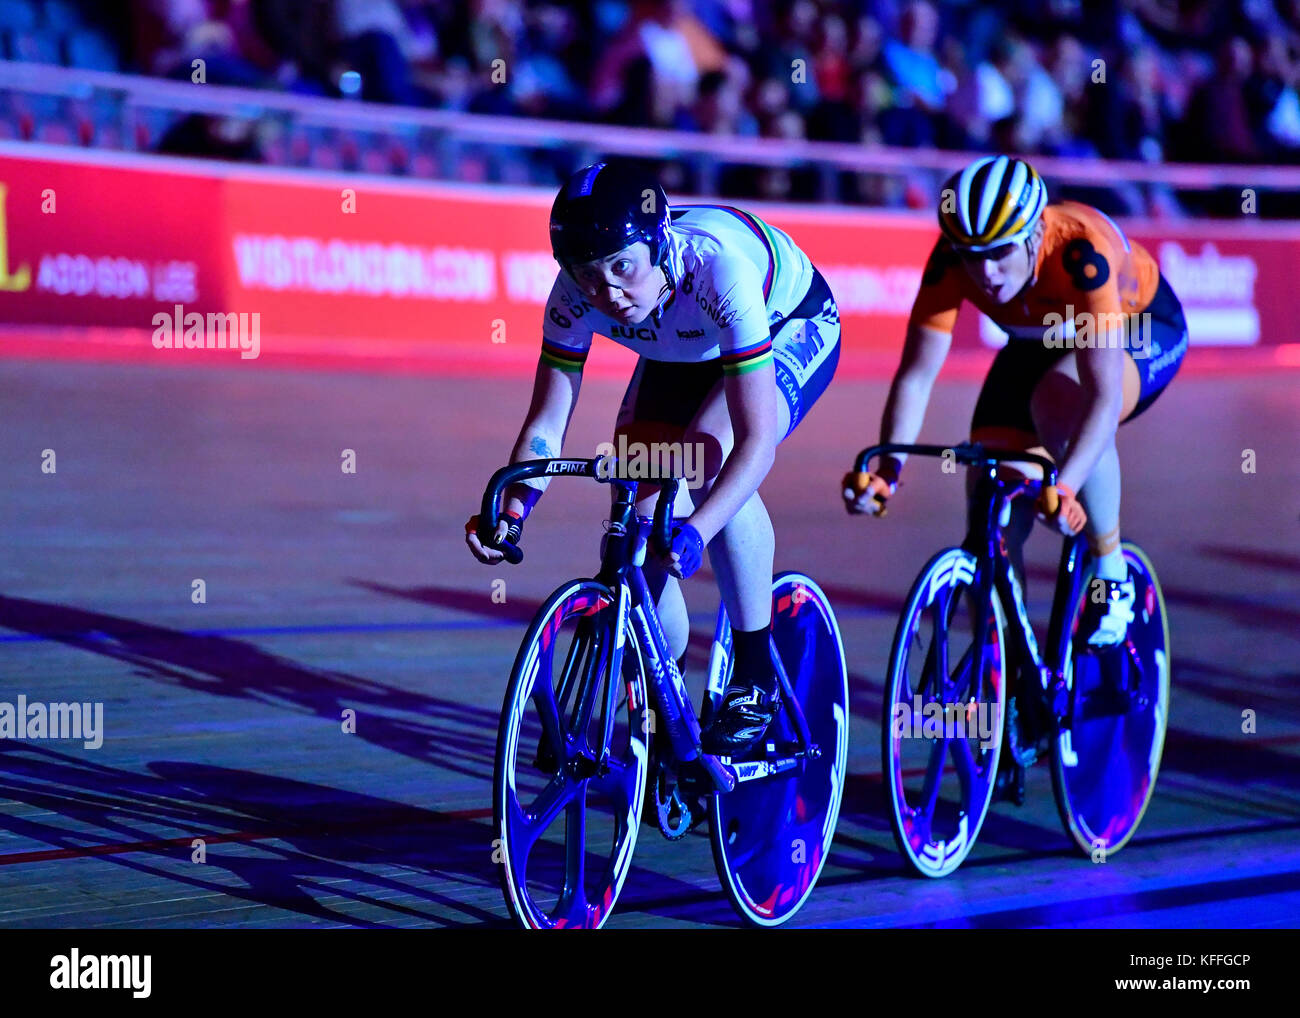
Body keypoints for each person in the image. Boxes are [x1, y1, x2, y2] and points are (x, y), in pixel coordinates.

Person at [467, 161, 840, 754]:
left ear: (660, 243)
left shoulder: (722, 271)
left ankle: (755, 678)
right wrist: (513, 511)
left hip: (787, 322)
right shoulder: (573, 298)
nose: (608, 293)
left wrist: (698, 530)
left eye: (621, 268)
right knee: (640, 522)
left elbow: (756, 444)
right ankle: (669, 708)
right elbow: (547, 420)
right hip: (680, 347)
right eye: (588, 277)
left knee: (705, 461)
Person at [843, 154, 1188, 647]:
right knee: (990, 505)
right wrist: (887, 471)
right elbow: (917, 377)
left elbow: (1101, 397)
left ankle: (1111, 572)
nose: (984, 271)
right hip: (1037, 340)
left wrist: (1065, 487)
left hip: (1140, 327)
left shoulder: (1080, 256)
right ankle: (1011, 672)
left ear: (1034, 234)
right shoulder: (951, 261)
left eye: (1000, 251)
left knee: (1057, 405)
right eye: (970, 253)